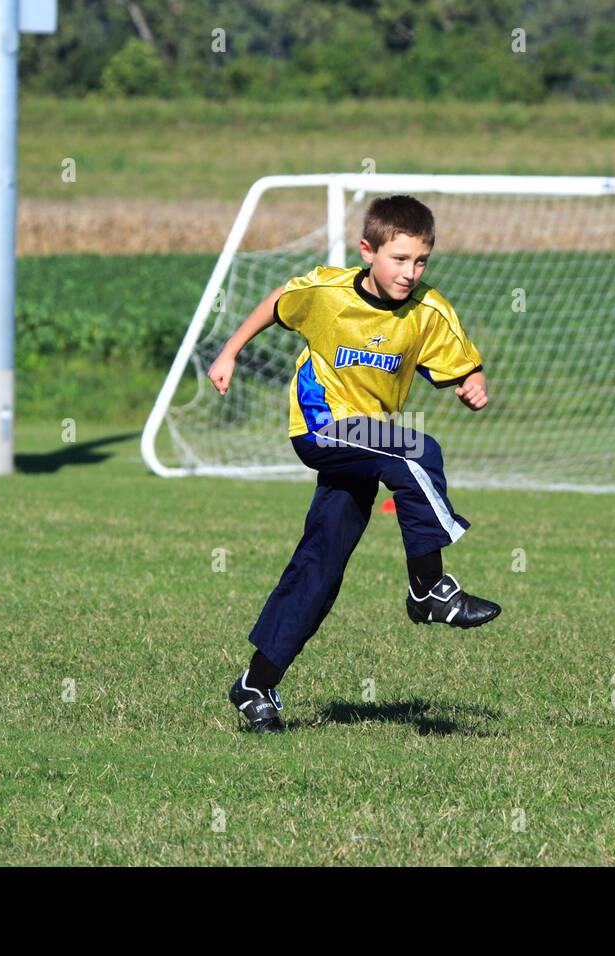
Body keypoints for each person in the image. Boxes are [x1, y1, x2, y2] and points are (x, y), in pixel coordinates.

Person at [206, 194, 500, 734]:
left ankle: (255, 683)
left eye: (420, 261)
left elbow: (463, 366)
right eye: (398, 259)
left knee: (321, 565)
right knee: (417, 450)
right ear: (368, 251)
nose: (409, 273)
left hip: (366, 446)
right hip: (322, 429)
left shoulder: (428, 312)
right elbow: (278, 302)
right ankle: (429, 588)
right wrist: (230, 350)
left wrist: (472, 383)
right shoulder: (329, 292)